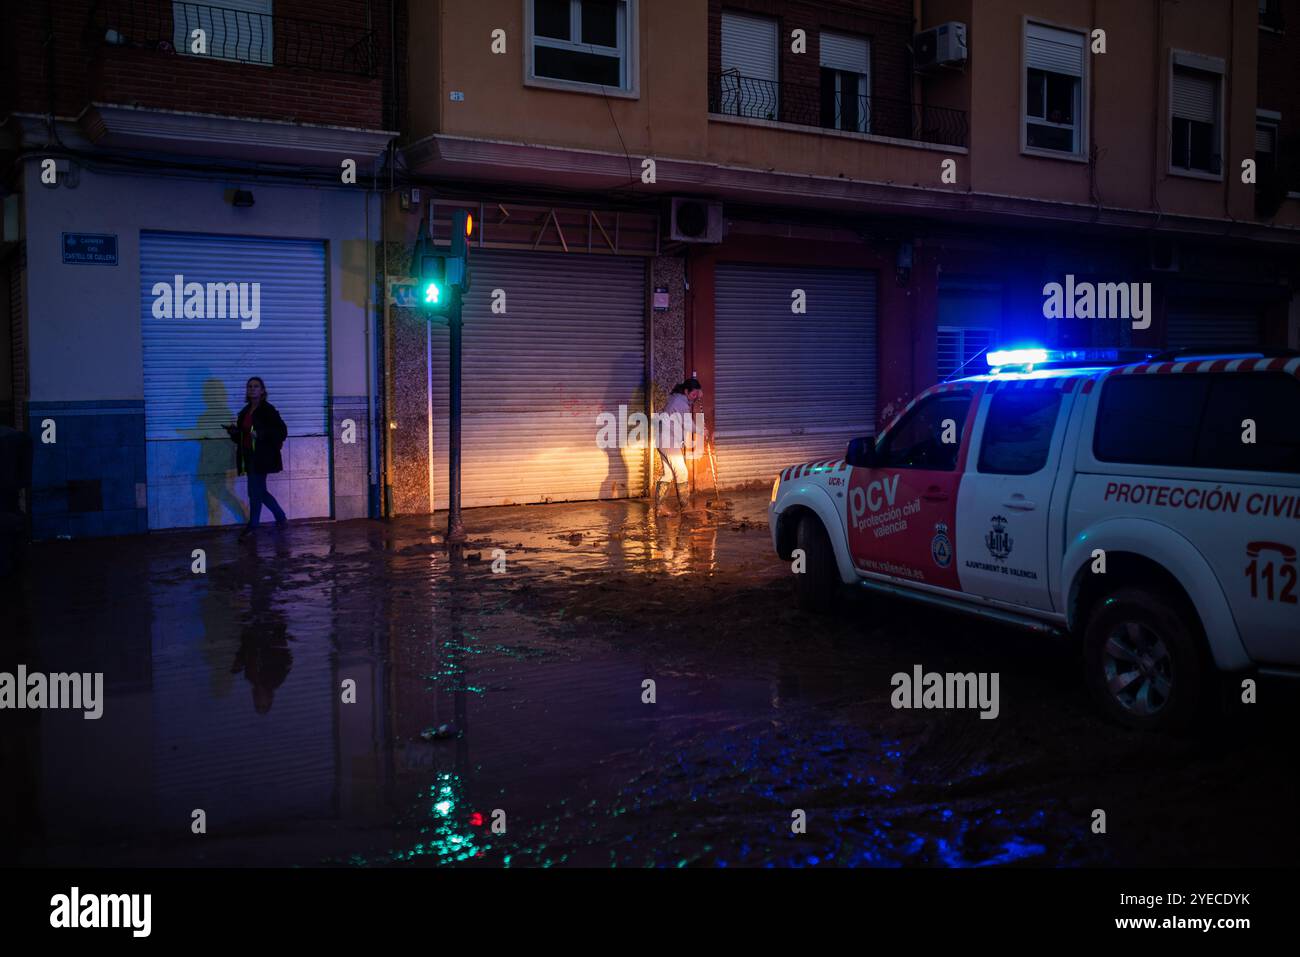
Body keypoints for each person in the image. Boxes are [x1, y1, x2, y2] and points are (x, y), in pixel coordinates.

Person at [224, 376, 288, 538]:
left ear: (262, 391)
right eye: (250, 386)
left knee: (255, 492)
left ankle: (253, 526)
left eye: (256, 386)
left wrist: (260, 434)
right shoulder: (245, 411)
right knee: (259, 491)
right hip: (248, 455)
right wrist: (234, 433)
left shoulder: (268, 410)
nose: (252, 389)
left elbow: (281, 432)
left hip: (262, 456)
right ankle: (280, 518)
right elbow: (242, 436)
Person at [654, 377, 703, 517]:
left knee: (668, 474)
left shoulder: (677, 398)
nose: (694, 398)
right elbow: (687, 424)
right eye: (693, 394)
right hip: (668, 441)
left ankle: (659, 508)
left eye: (696, 395)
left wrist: (699, 394)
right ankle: (685, 507)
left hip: (663, 441)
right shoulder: (680, 402)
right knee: (682, 472)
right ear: (686, 391)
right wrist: (700, 430)